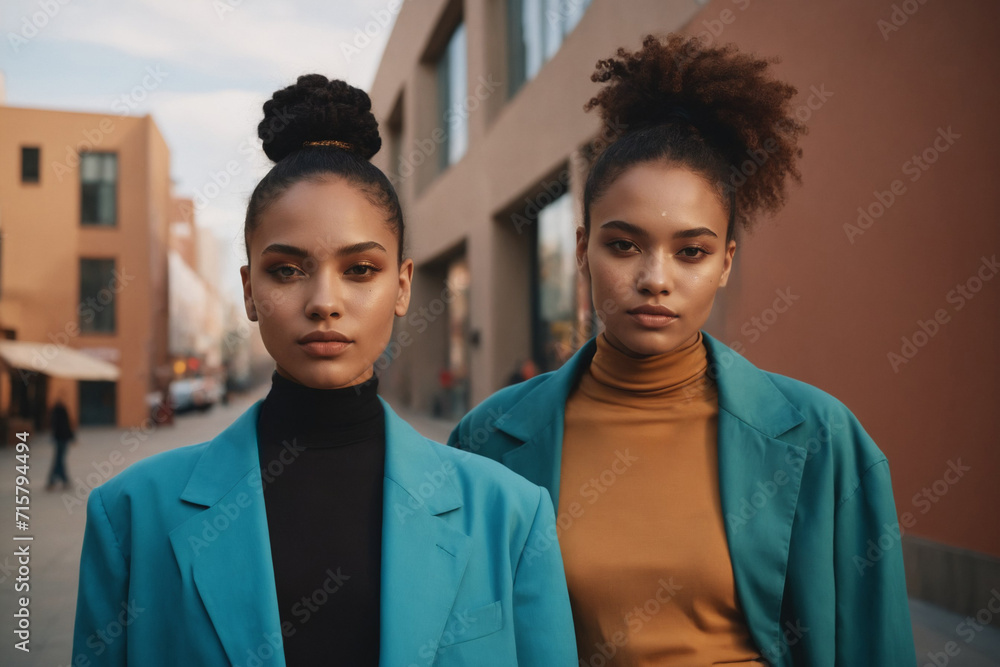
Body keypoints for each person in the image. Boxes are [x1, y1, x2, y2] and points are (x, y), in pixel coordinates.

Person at [72, 74, 577, 667]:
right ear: (249, 290)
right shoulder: (132, 515)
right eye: (287, 270)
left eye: (360, 269)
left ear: (403, 286)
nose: (324, 302)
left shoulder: (509, 514)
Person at [448, 35, 916, 666]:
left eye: (691, 251)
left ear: (725, 262)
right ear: (583, 249)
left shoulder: (825, 440)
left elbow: (874, 647)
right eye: (623, 245)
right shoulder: (487, 441)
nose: (655, 279)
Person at [46, 392, 74, 491]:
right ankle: (59, 480)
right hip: (61, 438)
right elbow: (65, 425)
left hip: (60, 438)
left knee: (59, 459)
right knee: (59, 460)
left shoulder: (57, 411)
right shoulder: (59, 411)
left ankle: (54, 481)